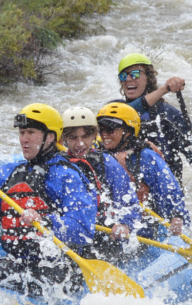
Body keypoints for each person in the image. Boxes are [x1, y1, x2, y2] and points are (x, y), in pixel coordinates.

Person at [0, 104, 96, 297]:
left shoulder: (68, 175)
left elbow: (82, 229)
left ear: (50, 137)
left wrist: (45, 221)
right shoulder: (9, 172)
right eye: (22, 133)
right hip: (19, 262)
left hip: (59, 268)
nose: (24, 140)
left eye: (31, 132)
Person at [115, 53, 192, 189]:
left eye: (135, 74)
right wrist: (164, 89)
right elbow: (129, 113)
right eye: (123, 76)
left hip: (166, 188)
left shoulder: (167, 113)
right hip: (131, 189)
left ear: (148, 77)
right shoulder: (114, 110)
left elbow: (189, 146)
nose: (128, 79)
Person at [60, 106, 142, 260]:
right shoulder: (58, 164)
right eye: (73, 138)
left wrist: (124, 224)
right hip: (72, 235)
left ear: (94, 136)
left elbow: (128, 200)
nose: (80, 144)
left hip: (105, 235)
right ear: (64, 138)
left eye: (85, 137)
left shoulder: (106, 163)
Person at [96, 102, 189, 238]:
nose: (104, 135)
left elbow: (169, 190)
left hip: (147, 228)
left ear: (128, 131)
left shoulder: (146, 157)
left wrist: (177, 216)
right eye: (101, 129)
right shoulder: (97, 156)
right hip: (113, 227)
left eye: (110, 129)